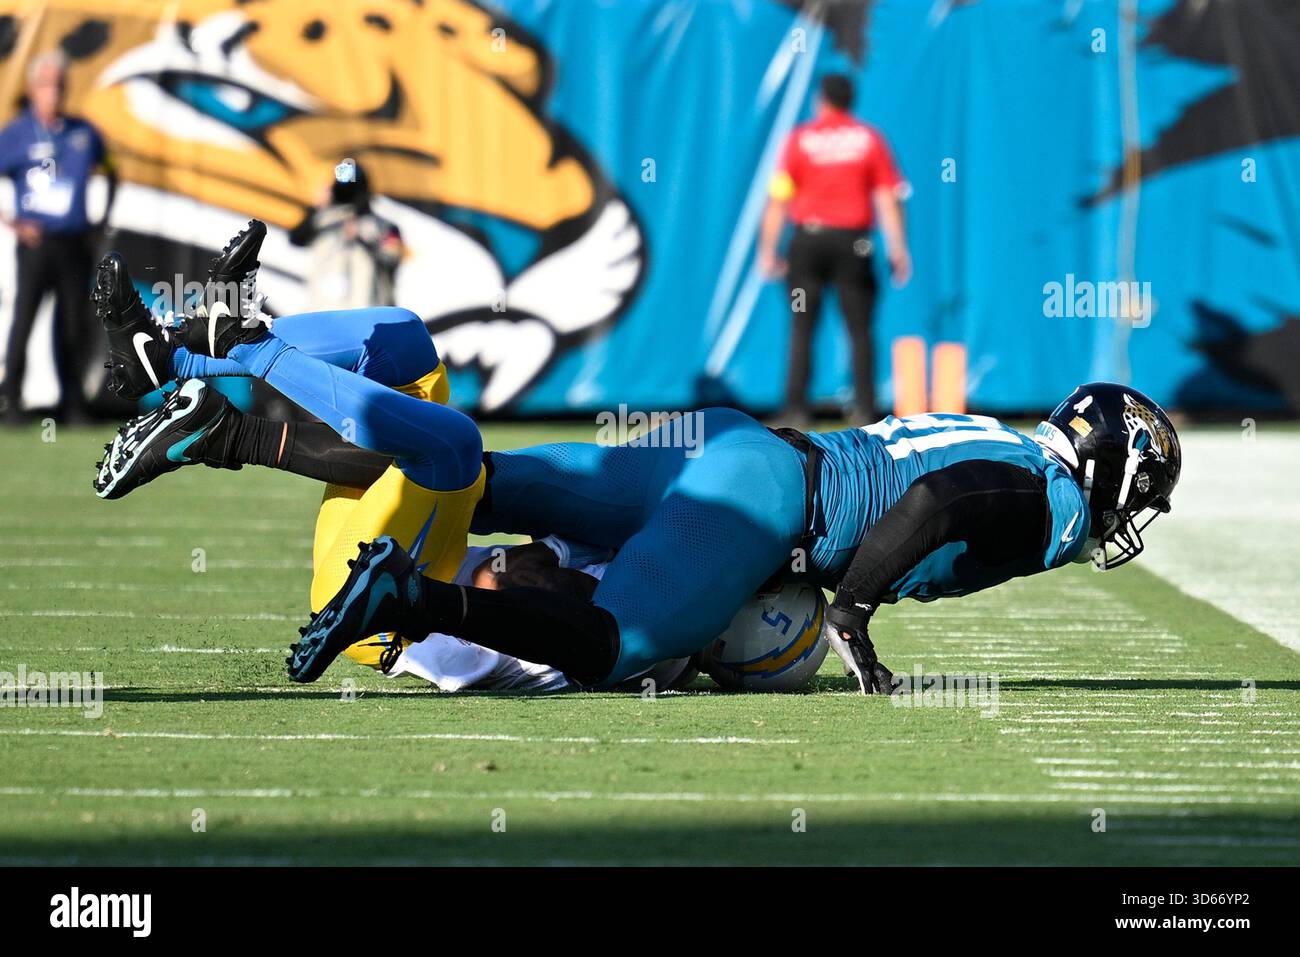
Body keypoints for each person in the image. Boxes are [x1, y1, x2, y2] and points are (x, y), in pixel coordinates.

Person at [289, 383, 1181, 694]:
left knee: (480, 477)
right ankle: (405, 596)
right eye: (1142, 491)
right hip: (766, 501)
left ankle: (240, 435)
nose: (1130, 514)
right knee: (612, 647)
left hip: (739, 443)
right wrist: (854, 614)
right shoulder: (1052, 496)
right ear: (1112, 464)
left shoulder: (1013, 438)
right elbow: (944, 503)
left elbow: (944, 480)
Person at [92, 221, 483, 673]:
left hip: (377, 607)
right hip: (420, 546)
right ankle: (178, 354)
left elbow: (533, 636)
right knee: (405, 342)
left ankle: (209, 379)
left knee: (453, 448)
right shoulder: (560, 562)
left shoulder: (564, 627)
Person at [760, 73, 910, 426]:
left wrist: (768, 248)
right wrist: (898, 248)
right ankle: (864, 409)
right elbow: (888, 196)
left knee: (802, 325)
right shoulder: (868, 139)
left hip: (808, 241)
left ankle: (796, 408)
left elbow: (779, 198)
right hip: (853, 244)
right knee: (860, 328)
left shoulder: (801, 140)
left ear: (821, 100)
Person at [0, 50, 112, 424]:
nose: (55, 93)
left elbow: (111, 171)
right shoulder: (17, 134)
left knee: (72, 324)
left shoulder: (84, 133)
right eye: (48, 85)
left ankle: (73, 404)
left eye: (60, 85)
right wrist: (14, 223)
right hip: (36, 244)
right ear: (33, 89)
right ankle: (10, 400)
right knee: (25, 318)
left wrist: (101, 222)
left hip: (74, 242)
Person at [288, 159, 404, 310]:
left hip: (369, 313)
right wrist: (317, 207)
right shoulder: (323, 221)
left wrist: (363, 239)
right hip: (327, 311)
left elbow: (392, 258)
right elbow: (296, 238)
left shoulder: (385, 227)